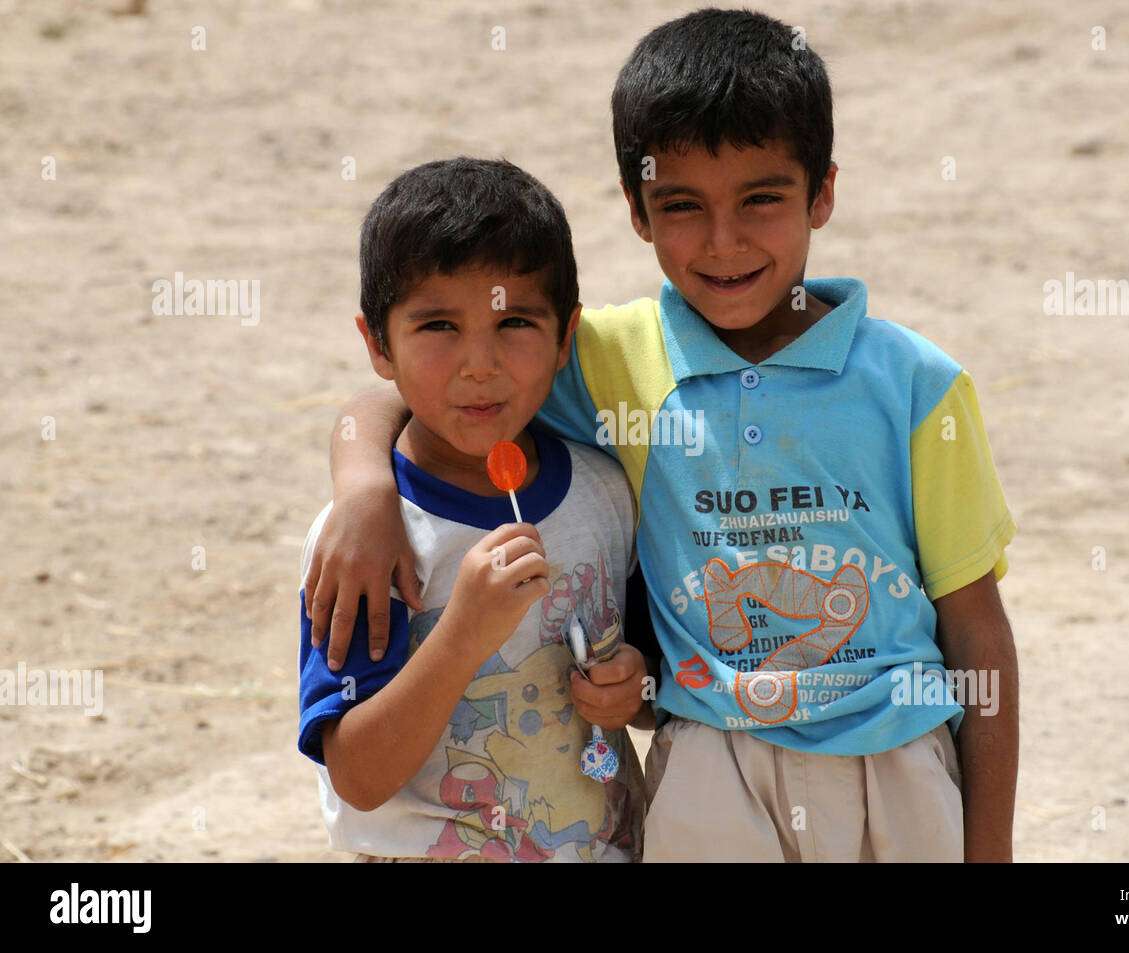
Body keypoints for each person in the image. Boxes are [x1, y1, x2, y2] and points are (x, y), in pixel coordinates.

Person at [308, 9, 1019, 862]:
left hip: (899, 771)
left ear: (823, 191)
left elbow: (976, 629)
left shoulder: (916, 387)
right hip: (709, 772)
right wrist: (364, 488)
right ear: (637, 211)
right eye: (681, 206)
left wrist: (994, 849)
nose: (723, 242)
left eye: (763, 198)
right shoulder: (610, 360)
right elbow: (422, 389)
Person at [296, 157, 653, 863]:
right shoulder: (371, 541)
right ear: (377, 344)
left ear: (564, 338)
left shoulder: (607, 493)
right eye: (438, 326)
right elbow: (358, 776)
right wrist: (461, 634)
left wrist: (631, 687)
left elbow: (655, 685)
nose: (480, 364)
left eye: (515, 320)